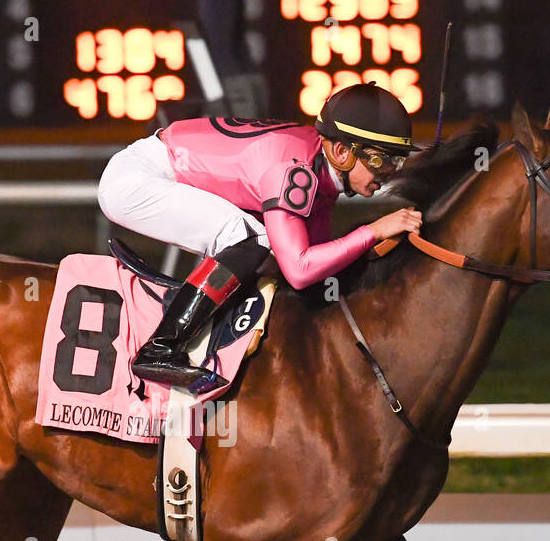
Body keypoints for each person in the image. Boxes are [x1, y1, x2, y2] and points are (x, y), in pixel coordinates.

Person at [97, 82, 425, 391]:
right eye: (382, 159)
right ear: (341, 151)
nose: (389, 174)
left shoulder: (319, 169)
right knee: (252, 239)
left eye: (397, 159)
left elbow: (317, 265)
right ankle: (159, 349)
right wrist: (373, 231)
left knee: (261, 250)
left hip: (155, 168)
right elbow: (300, 270)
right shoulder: (295, 170)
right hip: (136, 179)